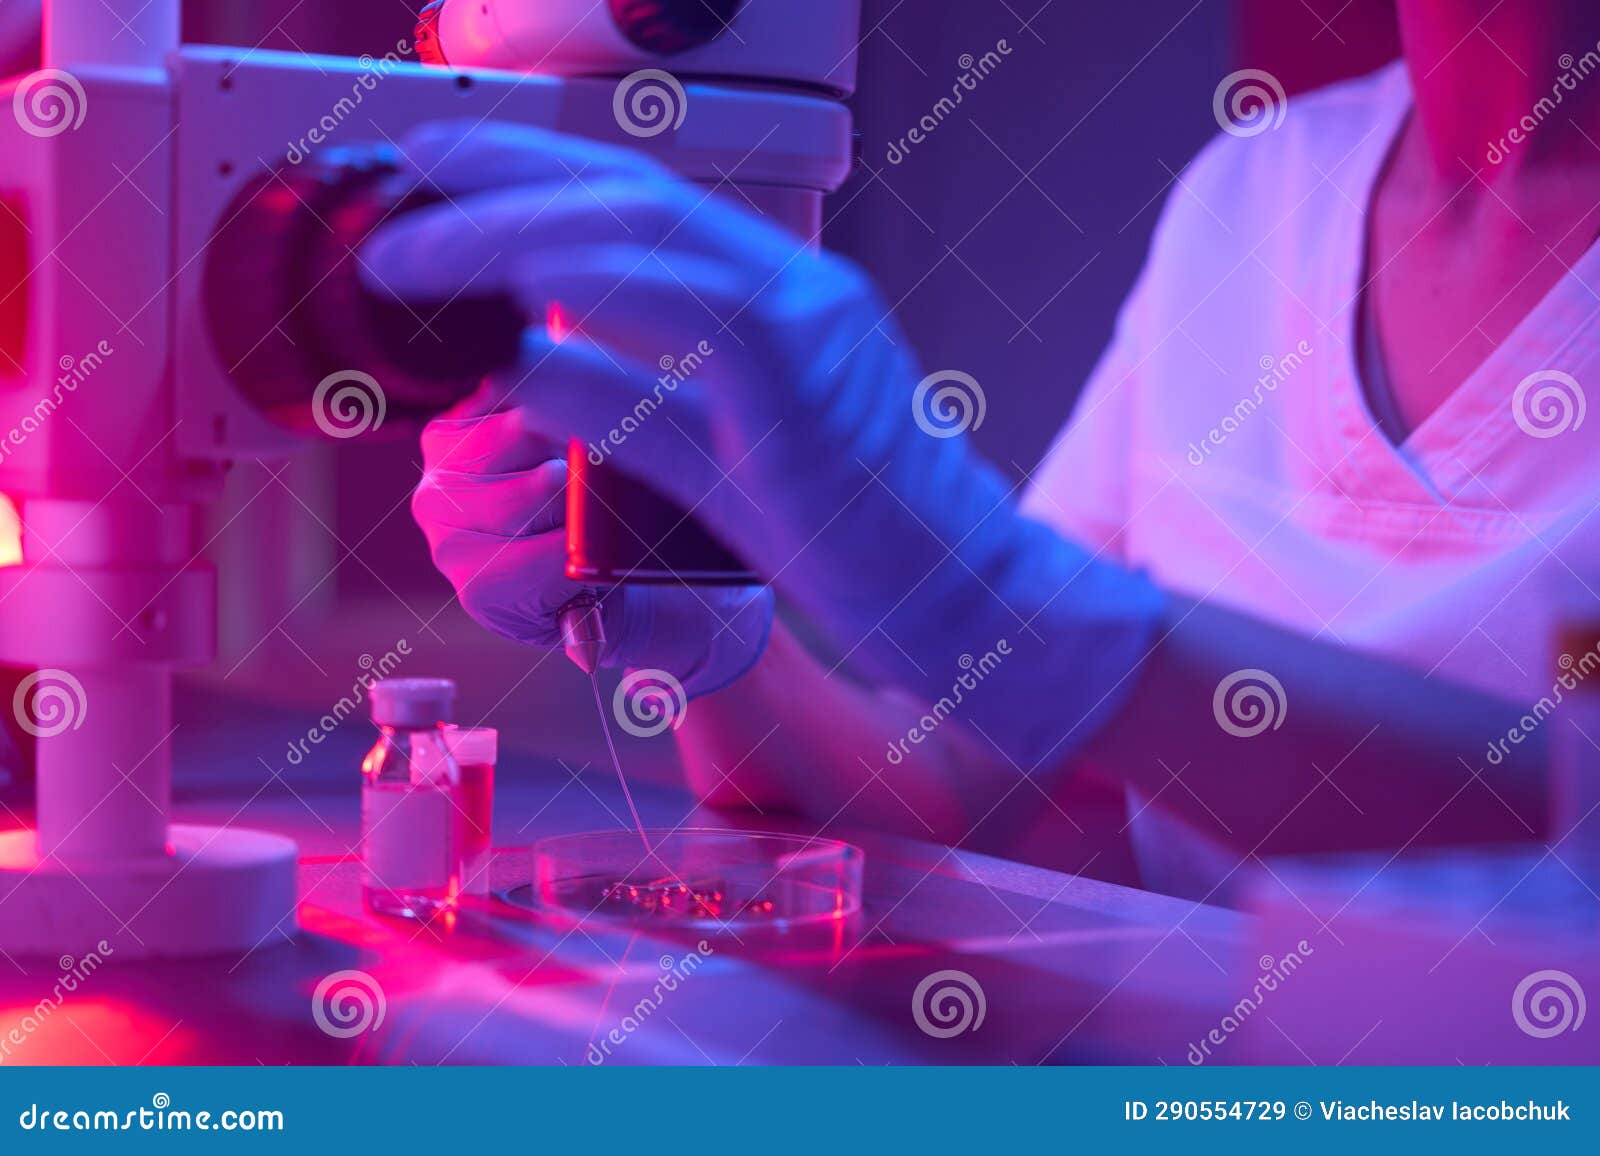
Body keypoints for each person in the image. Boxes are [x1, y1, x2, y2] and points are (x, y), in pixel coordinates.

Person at [375, 0, 1597, 901]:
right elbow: (973, 783)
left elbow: (1571, 803)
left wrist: (1003, 608)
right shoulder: (1261, 186)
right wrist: (714, 636)